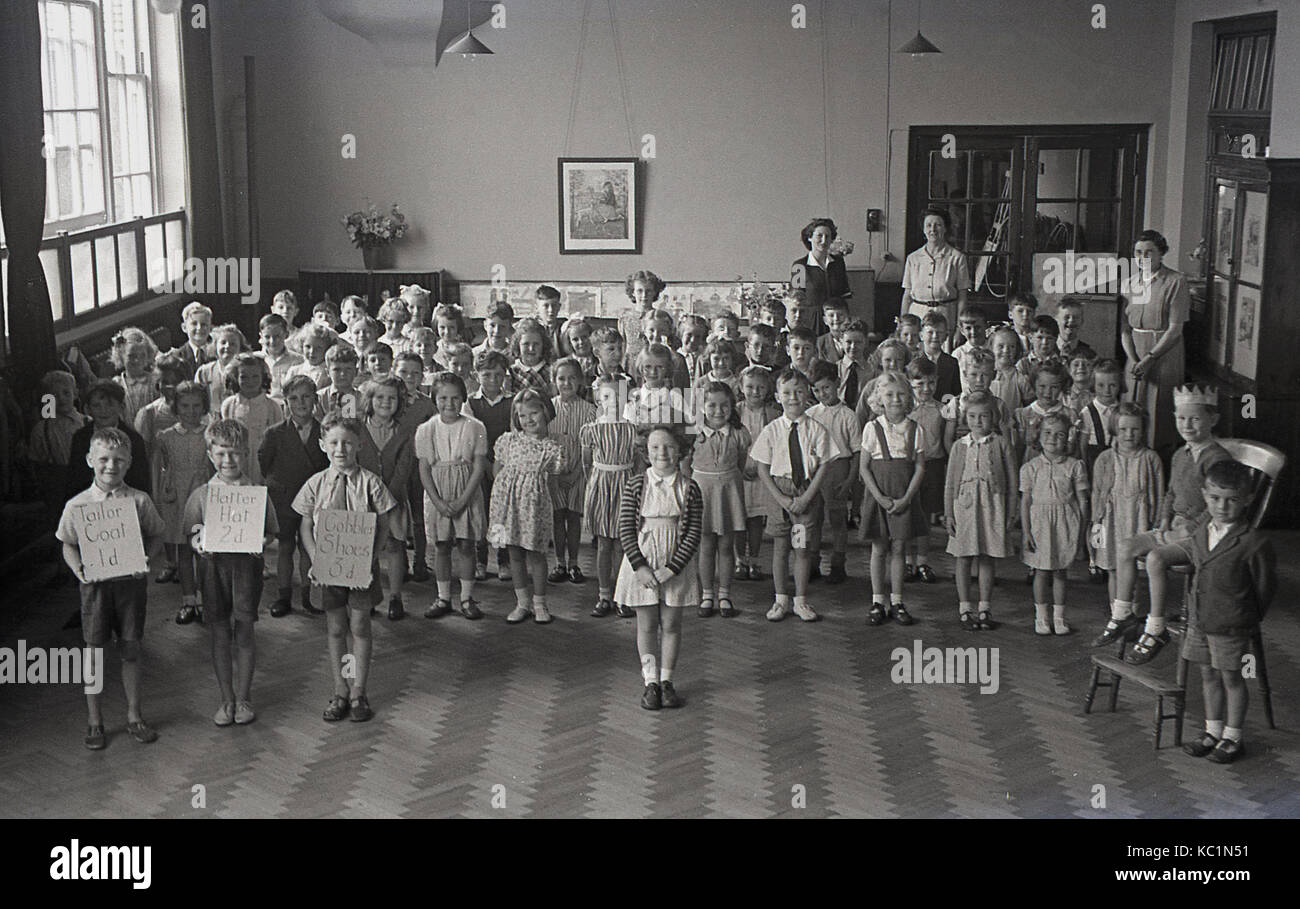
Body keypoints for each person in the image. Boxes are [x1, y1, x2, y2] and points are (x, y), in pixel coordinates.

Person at [57, 427, 166, 749]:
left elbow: (158, 534)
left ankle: (134, 715)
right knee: (93, 654)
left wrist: (147, 557)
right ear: (90, 459)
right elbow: (67, 543)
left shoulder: (139, 501)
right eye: (103, 458)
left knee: (131, 649)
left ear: (129, 462)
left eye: (118, 459)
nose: (110, 466)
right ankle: (95, 720)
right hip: (95, 590)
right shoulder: (77, 505)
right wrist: (78, 570)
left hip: (130, 587)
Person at [1168, 460, 1276, 764]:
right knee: (1208, 676)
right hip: (1201, 619)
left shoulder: (1253, 542)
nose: (1223, 506)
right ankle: (1211, 732)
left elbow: (1265, 587)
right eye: (1215, 498)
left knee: (1232, 679)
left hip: (1231, 624)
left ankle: (1232, 737)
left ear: (1247, 500)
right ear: (1204, 494)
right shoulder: (1203, 530)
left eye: (1231, 500)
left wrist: (1246, 616)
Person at [1114, 385, 1231, 664]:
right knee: (1125, 546)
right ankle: (1122, 613)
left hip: (1201, 534)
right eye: (1181, 418)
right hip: (1174, 527)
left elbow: (1217, 507)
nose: (1187, 425)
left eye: (1195, 419)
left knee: (1155, 558)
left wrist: (1190, 529)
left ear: (1212, 420)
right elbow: (1169, 494)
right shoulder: (1180, 455)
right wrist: (1164, 520)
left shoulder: (1216, 457)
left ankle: (1155, 627)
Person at [294, 414, 400, 723]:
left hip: (360, 571)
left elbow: (382, 525)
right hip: (329, 571)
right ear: (322, 445)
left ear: (360, 445)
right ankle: (340, 688)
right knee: (336, 628)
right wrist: (316, 559)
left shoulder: (371, 483)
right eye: (334, 443)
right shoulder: (315, 484)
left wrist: (371, 559)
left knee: (360, 628)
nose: (341, 450)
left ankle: (358, 690)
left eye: (348, 443)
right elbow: (306, 527)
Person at [186, 419, 279, 726]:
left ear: (245, 452)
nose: (229, 460)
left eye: (235, 453)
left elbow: (271, 532)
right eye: (222, 453)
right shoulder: (201, 494)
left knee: (245, 631)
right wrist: (199, 544)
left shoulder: (256, 492)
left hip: (245, 570)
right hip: (214, 569)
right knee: (219, 633)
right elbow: (193, 531)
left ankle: (243, 697)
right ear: (211, 453)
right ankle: (225, 698)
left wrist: (260, 542)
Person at [615, 426, 703, 710]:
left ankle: (667, 680)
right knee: (647, 625)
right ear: (646, 452)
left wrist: (673, 568)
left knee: (672, 624)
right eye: (655, 448)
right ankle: (650, 680)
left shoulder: (690, 488)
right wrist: (640, 567)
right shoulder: (636, 485)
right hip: (643, 562)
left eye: (668, 447)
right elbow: (626, 529)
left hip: (674, 564)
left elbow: (693, 532)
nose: (661, 453)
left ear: (680, 451)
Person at [751, 368, 840, 622]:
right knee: (780, 547)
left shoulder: (816, 429)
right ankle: (781, 600)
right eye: (787, 393)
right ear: (777, 396)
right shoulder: (772, 429)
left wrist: (806, 498)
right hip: (780, 493)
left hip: (805, 494)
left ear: (807, 395)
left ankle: (801, 600)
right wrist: (780, 498)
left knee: (801, 548)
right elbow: (762, 467)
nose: (793, 398)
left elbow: (824, 464)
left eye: (799, 392)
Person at [488, 390, 567, 624]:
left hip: (534, 508)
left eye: (534, 413)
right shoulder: (508, 440)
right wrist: (504, 493)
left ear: (546, 412)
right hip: (507, 505)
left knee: (536, 554)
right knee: (513, 552)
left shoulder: (551, 448)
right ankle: (522, 602)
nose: (529, 420)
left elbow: (554, 482)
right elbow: (497, 469)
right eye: (522, 415)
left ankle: (540, 603)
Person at [416, 372, 490, 621]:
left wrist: (462, 500)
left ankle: (467, 598)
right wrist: (437, 501)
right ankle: (443, 597)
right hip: (438, 492)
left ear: (463, 398)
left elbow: (479, 466)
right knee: (442, 545)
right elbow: (424, 469)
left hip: (466, 490)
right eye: (443, 398)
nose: (449, 404)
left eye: (455, 398)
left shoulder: (475, 427)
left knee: (467, 545)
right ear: (434, 399)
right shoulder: (426, 429)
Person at [944, 392, 1018, 631]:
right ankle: (965, 607)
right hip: (964, 506)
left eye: (983, 416)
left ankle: (985, 606)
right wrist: (948, 513)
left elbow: (1012, 480)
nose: (978, 421)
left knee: (987, 555)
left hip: (992, 506)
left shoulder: (1000, 443)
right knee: (963, 557)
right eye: (972, 416)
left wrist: (1010, 512)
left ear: (993, 417)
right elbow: (950, 483)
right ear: (966, 417)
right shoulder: (958, 446)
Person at [858, 372, 926, 626]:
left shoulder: (915, 429)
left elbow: (920, 467)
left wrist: (907, 498)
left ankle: (897, 601)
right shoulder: (872, 428)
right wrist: (879, 497)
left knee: (899, 548)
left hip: (904, 496)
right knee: (879, 548)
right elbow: (864, 467)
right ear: (879, 399)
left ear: (909, 397)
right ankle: (878, 600)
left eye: (901, 394)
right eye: (889, 394)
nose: (895, 399)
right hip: (879, 497)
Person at [260, 375, 328, 617]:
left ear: (316, 400)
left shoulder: (326, 431)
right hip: (284, 499)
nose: (300, 403)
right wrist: (276, 486)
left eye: (306, 397)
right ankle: (284, 594)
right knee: (286, 546)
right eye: (294, 398)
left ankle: (310, 593)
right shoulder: (274, 434)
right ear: (285, 403)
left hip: (315, 501)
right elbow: (264, 464)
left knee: (310, 547)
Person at [1089, 403, 1164, 617]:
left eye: (1135, 429)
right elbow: (1097, 494)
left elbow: (1158, 494)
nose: (1129, 434)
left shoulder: (1151, 459)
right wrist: (1096, 527)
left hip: (1139, 520)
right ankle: (1117, 614)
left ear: (1143, 430)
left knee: (1136, 569)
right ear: (1114, 429)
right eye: (1123, 429)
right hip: (1112, 521)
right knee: (1113, 567)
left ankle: (1134, 611)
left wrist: (1156, 523)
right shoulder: (1105, 459)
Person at [1121, 230, 1190, 456]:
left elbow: (1175, 329)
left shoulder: (1175, 281)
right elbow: (1125, 329)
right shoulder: (1130, 283)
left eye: (1149, 252)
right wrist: (1133, 360)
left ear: (1161, 253)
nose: (1143, 258)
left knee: (1159, 411)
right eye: (1138, 253)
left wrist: (1150, 358)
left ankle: (1157, 462)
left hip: (1164, 353)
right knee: (1132, 409)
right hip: (1135, 352)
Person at [1020, 412, 1089, 635]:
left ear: (1068, 437)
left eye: (1059, 434)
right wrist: (1026, 532)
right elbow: (1026, 502)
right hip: (1040, 524)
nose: (1053, 438)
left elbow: (1082, 500)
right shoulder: (1030, 468)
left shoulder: (1075, 466)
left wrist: (1081, 529)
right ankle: (1041, 616)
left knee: (1060, 572)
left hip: (1065, 523)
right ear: (1038, 436)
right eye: (1047, 433)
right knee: (1040, 571)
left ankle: (1059, 617)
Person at [153, 381, 213, 624]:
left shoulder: (210, 433)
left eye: (196, 405)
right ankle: (188, 600)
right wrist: (158, 497)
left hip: (203, 495)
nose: (191, 411)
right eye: (185, 405)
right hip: (176, 497)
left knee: (205, 552)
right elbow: (157, 468)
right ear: (176, 407)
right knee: (184, 551)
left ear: (204, 406)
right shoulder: (165, 436)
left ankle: (207, 600)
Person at [356, 377, 416, 620]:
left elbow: (404, 468)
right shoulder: (357, 428)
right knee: (367, 549)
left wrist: (387, 499)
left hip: (394, 499)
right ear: (369, 401)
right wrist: (368, 496)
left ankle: (395, 597)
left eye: (392, 398)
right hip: (363, 499)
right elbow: (354, 465)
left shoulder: (404, 431)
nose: (385, 402)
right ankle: (369, 596)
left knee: (394, 546)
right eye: (380, 397)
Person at [582, 374, 640, 619]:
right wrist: (596, 486)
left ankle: (622, 595)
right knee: (605, 543)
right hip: (602, 485)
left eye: (618, 396)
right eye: (607, 396)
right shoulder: (591, 430)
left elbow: (637, 464)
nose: (613, 401)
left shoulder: (632, 430)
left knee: (623, 544)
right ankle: (604, 594)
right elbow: (587, 464)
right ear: (598, 399)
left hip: (625, 487)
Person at [692, 382, 751, 618]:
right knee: (706, 546)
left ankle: (725, 594)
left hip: (728, 491)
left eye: (724, 405)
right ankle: (707, 594)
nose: (718, 411)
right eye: (712, 405)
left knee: (726, 546)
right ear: (702, 406)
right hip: (702, 492)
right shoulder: (693, 432)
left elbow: (741, 461)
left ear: (732, 406)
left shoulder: (739, 432)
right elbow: (686, 466)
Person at [807, 360, 859, 584]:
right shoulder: (810, 413)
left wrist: (849, 480)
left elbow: (857, 452)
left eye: (826, 387)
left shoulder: (848, 415)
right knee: (811, 519)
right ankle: (810, 561)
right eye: (816, 390)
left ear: (837, 384)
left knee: (838, 519)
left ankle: (838, 562)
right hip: (814, 469)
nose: (822, 394)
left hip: (839, 468)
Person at [547, 358, 597, 583]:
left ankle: (574, 563)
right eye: (561, 378)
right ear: (554, 380)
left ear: (580, 381)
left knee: (574, 517)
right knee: (557, 517)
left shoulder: (589, 410)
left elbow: (591, 446)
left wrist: (577, 473)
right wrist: (556, 473)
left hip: (579, 472)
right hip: (554, 474)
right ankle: (559, 562)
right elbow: (545, 443)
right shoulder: (548, 407)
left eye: (572, 378)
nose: (566, 383)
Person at [468, 350, 514, 581]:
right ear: (477, 376)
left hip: (504, 465)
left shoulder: (512, 402)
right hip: (479, 464)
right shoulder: (471, 402)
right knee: (480, 512)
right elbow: (472, 435)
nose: (494, 380)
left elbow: (514, 433)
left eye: (498, 375)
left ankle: (502, 559)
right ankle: (480, 559)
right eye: (487, 375)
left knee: (501, 513)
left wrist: (500, 464)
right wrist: (485, 463)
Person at [64, 380, 151, 500]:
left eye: (110, 405)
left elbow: (141, 481)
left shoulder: (134, 440)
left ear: (121, 407)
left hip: (125, 503)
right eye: (97, 406)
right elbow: (75, 478)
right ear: (88, 409)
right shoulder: (80, 438)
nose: (103, 410)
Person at [734, 365, 779, 581]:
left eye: (760, 387)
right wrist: (739, 468)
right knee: (739, 518)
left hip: (762, 473)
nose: (755, 392)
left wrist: (764, 468)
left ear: (768, 389)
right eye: (750, 387)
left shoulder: (772, 414)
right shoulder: (734, 412)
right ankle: (739, 559)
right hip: (738, 472)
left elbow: (776, 445)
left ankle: (755, 559)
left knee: (755, 520)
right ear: (741, 387)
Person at [905, 357, 948, 582]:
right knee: (906, 515)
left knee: (923, 516)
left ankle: (922, 561)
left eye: (931, 383)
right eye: (919, 383)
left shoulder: (942, 409)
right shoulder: (904, 408)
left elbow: (946, 440)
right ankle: (907, 561)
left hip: (932, 465)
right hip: (909, 466)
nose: (926, 388)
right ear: (910, 383)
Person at [901, 206, 968, 336]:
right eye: (928, 225)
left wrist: (959, 329)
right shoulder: (913, 258)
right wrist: (903, 324)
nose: (932, 229)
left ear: (945, 228)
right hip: (917, 316)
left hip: (946, 314)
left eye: (937, 225)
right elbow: (907, 294)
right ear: (923, 229)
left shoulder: (957, 258)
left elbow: (962, 297)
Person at [220, 353, 280, 485]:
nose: (250, 381)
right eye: (244, 377)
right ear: (235, 378)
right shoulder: (229, 405)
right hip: (237, 460)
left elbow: (278, 441)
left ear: (263, 377)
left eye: (255, 376)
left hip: (262, 463)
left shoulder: (272, 407)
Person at [791, 217, 852, 331]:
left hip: (836, 321)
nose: (824, 240)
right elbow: (796, 300)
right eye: (819, 236)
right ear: (809, 238)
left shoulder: (838, 263)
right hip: (812, 322)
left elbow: (844, 295)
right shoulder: (799, 266)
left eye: (827, 237)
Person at [110, 327, 160, 429]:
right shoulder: (117, 384)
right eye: (131, 356)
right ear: (121, 356)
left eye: (142, 355)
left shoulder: (155, 381)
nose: (137, 360)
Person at [258, 313, 304, 398]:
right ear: (261, 336)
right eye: (267, 337)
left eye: (277, 336)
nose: (272, 341)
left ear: (286, 335)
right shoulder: (256, 359)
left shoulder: (298, 360)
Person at [171, 301, 214, 378]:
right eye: (194, 324)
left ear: (210, 328)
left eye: (204, 324)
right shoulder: (177, 357)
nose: (199, 328)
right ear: (184, 327)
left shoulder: (216, 353)